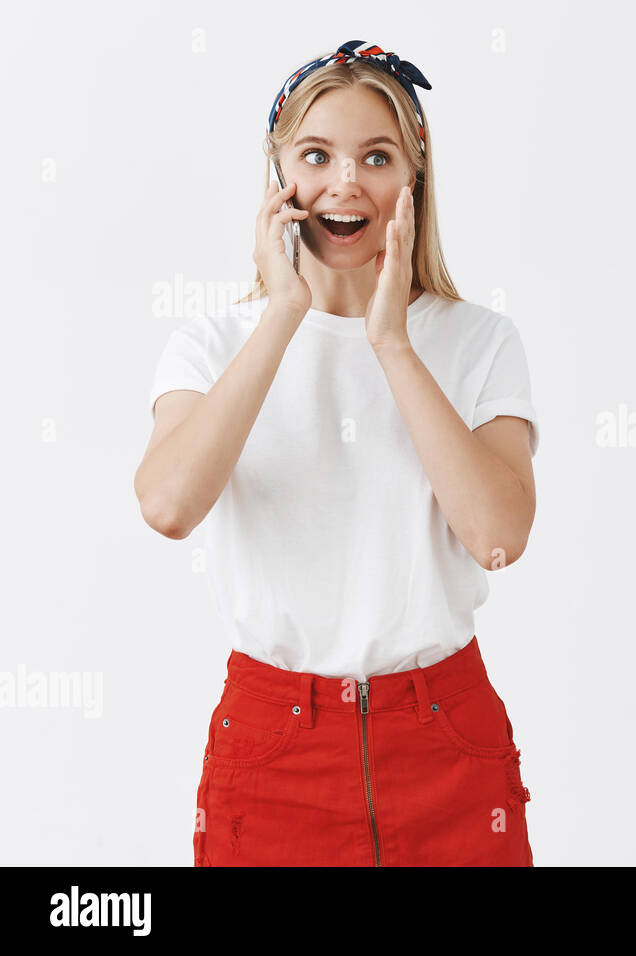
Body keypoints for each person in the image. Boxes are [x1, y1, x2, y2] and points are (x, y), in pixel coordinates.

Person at [133, 41, 538, 866]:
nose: (345, 181)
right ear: (279, 176)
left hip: (445, 740)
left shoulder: (478, 342)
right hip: (273, 745)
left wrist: (390, 343)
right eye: (316, 155)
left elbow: (500, 535)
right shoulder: (214, 344)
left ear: (413, 181)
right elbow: (168, 507)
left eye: (376, 157)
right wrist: (285, 313)